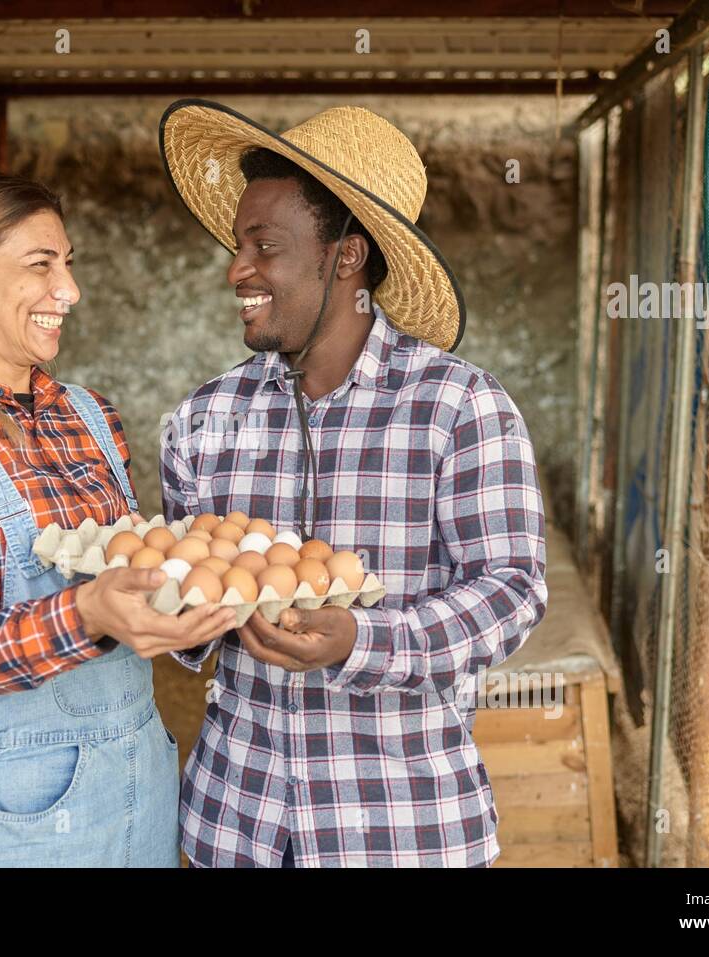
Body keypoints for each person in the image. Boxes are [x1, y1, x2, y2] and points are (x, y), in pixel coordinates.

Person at [157, 100, 548, 867]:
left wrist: (363, 640)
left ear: (346, 256)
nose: (238, 269)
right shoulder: (203, 419)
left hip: (399, 826)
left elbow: (513, 589)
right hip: (237, 820)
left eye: (264, 247)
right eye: (239, 246)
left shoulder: (458, 406)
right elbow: (186, 617)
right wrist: (178, 609)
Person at [0, 170, 235, 867]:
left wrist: (193, 606)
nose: (70, 291)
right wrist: (86, 612)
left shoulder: (89, 416)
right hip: (11, 806)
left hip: (138, 779)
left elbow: (131, 576)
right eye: (40, 266)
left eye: (68, 264)